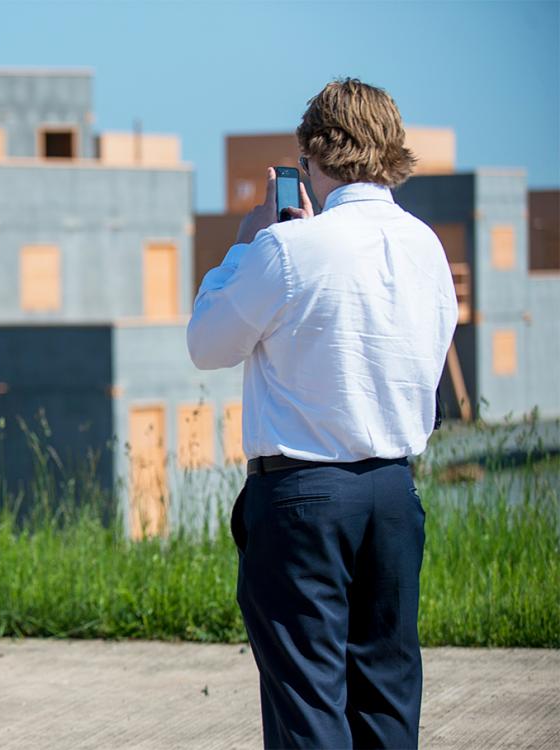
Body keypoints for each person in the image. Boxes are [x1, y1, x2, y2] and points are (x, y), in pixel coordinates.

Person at [187, 79, 458, 749]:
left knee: (308, 703)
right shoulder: (426, 246)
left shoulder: (287, 249)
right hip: (394, 490)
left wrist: (245, 247)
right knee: (389, 695)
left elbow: (207, 344)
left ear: (312, 156)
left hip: (303, 495)